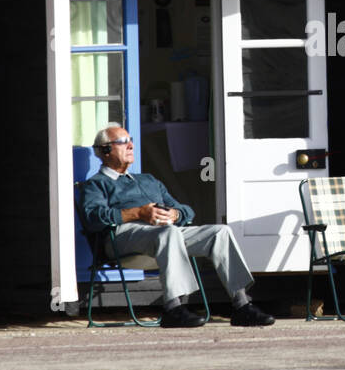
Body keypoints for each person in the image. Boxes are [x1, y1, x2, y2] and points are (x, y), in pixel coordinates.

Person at [79, 123, 274, 328]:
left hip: (163, 234)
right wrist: (138, 212)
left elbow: (186, 210)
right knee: (168, 233)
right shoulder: (96, 184)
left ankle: (242, 306)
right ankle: (173, 308)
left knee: (220, 232)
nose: (131, 146)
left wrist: (175, 213)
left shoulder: (148, 180)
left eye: (131, 141)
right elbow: (93, 218)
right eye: (122, 142)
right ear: (105, 151)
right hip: (122, 238)